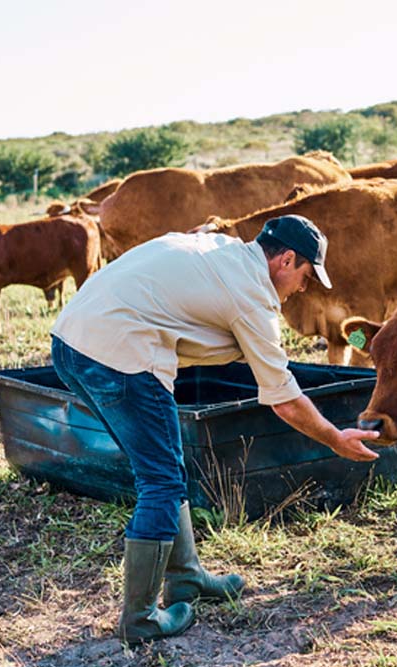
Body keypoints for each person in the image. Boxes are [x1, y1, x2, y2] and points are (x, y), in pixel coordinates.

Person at [50, 214, 380, 645]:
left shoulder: (223, 249)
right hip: (119, 355)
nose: (304, 288)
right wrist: (335, 439)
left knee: (164, 470)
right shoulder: (252, 296)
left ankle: (187, 578)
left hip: (71, 342)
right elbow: (283, 399)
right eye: (306, 275)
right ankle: (140, 619)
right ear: (285, 260)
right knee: (161, 482)